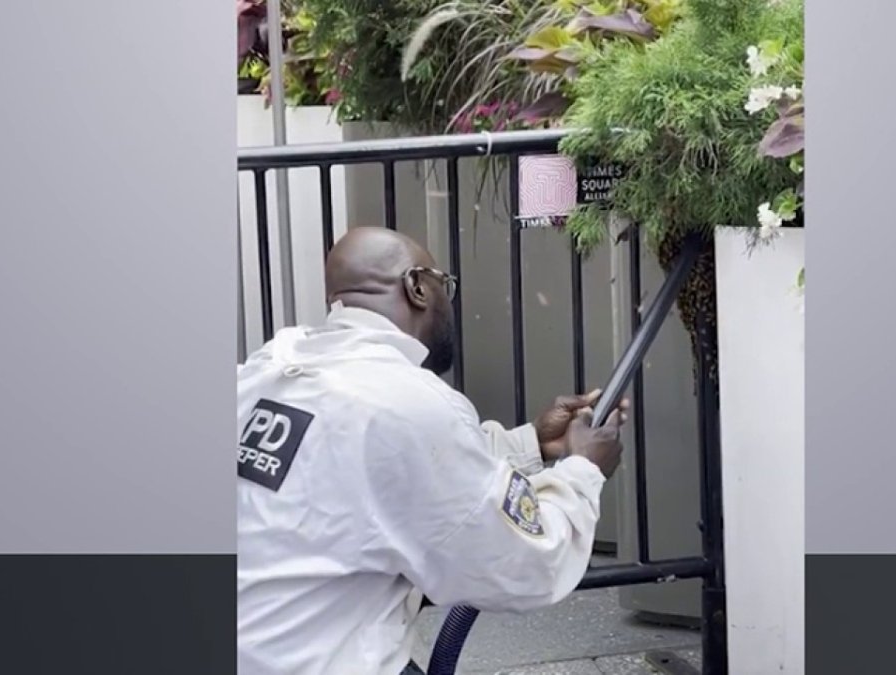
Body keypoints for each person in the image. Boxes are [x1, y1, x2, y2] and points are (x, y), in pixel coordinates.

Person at [237, 227, 628, 675]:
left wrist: (532, 443)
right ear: (418, 286)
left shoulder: (266, 373)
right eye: (447, 284)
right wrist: (583, 470)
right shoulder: (407, 400)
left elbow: (386, 466)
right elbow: (526, 565)